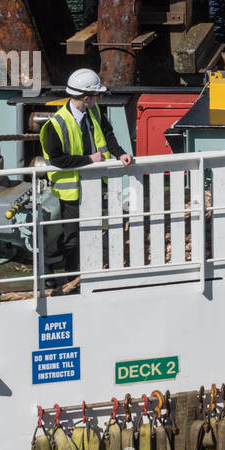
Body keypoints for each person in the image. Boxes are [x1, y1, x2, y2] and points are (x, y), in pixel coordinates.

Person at [39, 68, 133, 287]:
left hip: (92, 185)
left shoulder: (94, 112)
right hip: (71, 190)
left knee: (84, 232)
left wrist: (120, 153)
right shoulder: (55, 125)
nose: (99, 97)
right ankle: (53, 267)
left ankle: (73, 276)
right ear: (85, 97)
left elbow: (108, 135)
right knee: (72, 237)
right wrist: (89, 160)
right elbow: (56, 160)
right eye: (96, 95)